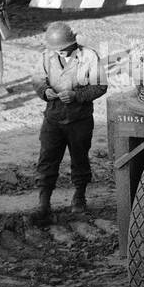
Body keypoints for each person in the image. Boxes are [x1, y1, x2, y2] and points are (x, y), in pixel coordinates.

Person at [30, 22, 107, 223]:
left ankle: (79, 197)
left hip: (79, 119)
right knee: (47, 160)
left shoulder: (89, 56)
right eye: (57, 50)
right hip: (53, 118)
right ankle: (43, 205)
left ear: (73, 43)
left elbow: (100, 86)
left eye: (64, 49)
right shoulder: (46, 56)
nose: (60, 53)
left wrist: (76, 95)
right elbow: (38, 80)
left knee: (80, 159)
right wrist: (45, 92)